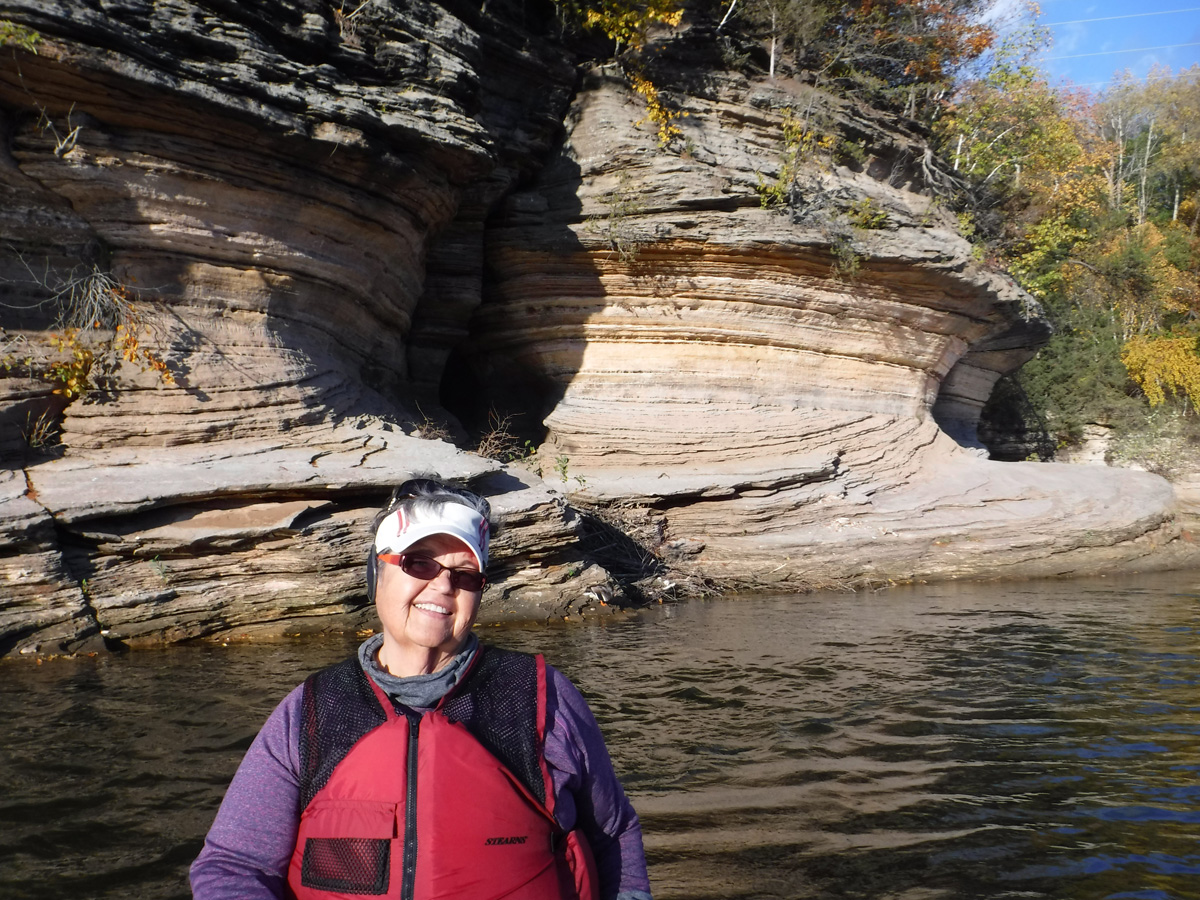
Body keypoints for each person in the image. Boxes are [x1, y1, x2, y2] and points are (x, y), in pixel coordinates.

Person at [190, 478, 652, 900]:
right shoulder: (307, 713)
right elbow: (235, 865)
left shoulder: (543, 699)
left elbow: (613, 835)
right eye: (420, 562)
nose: (444, 584)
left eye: (465, 573)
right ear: (377, 572)